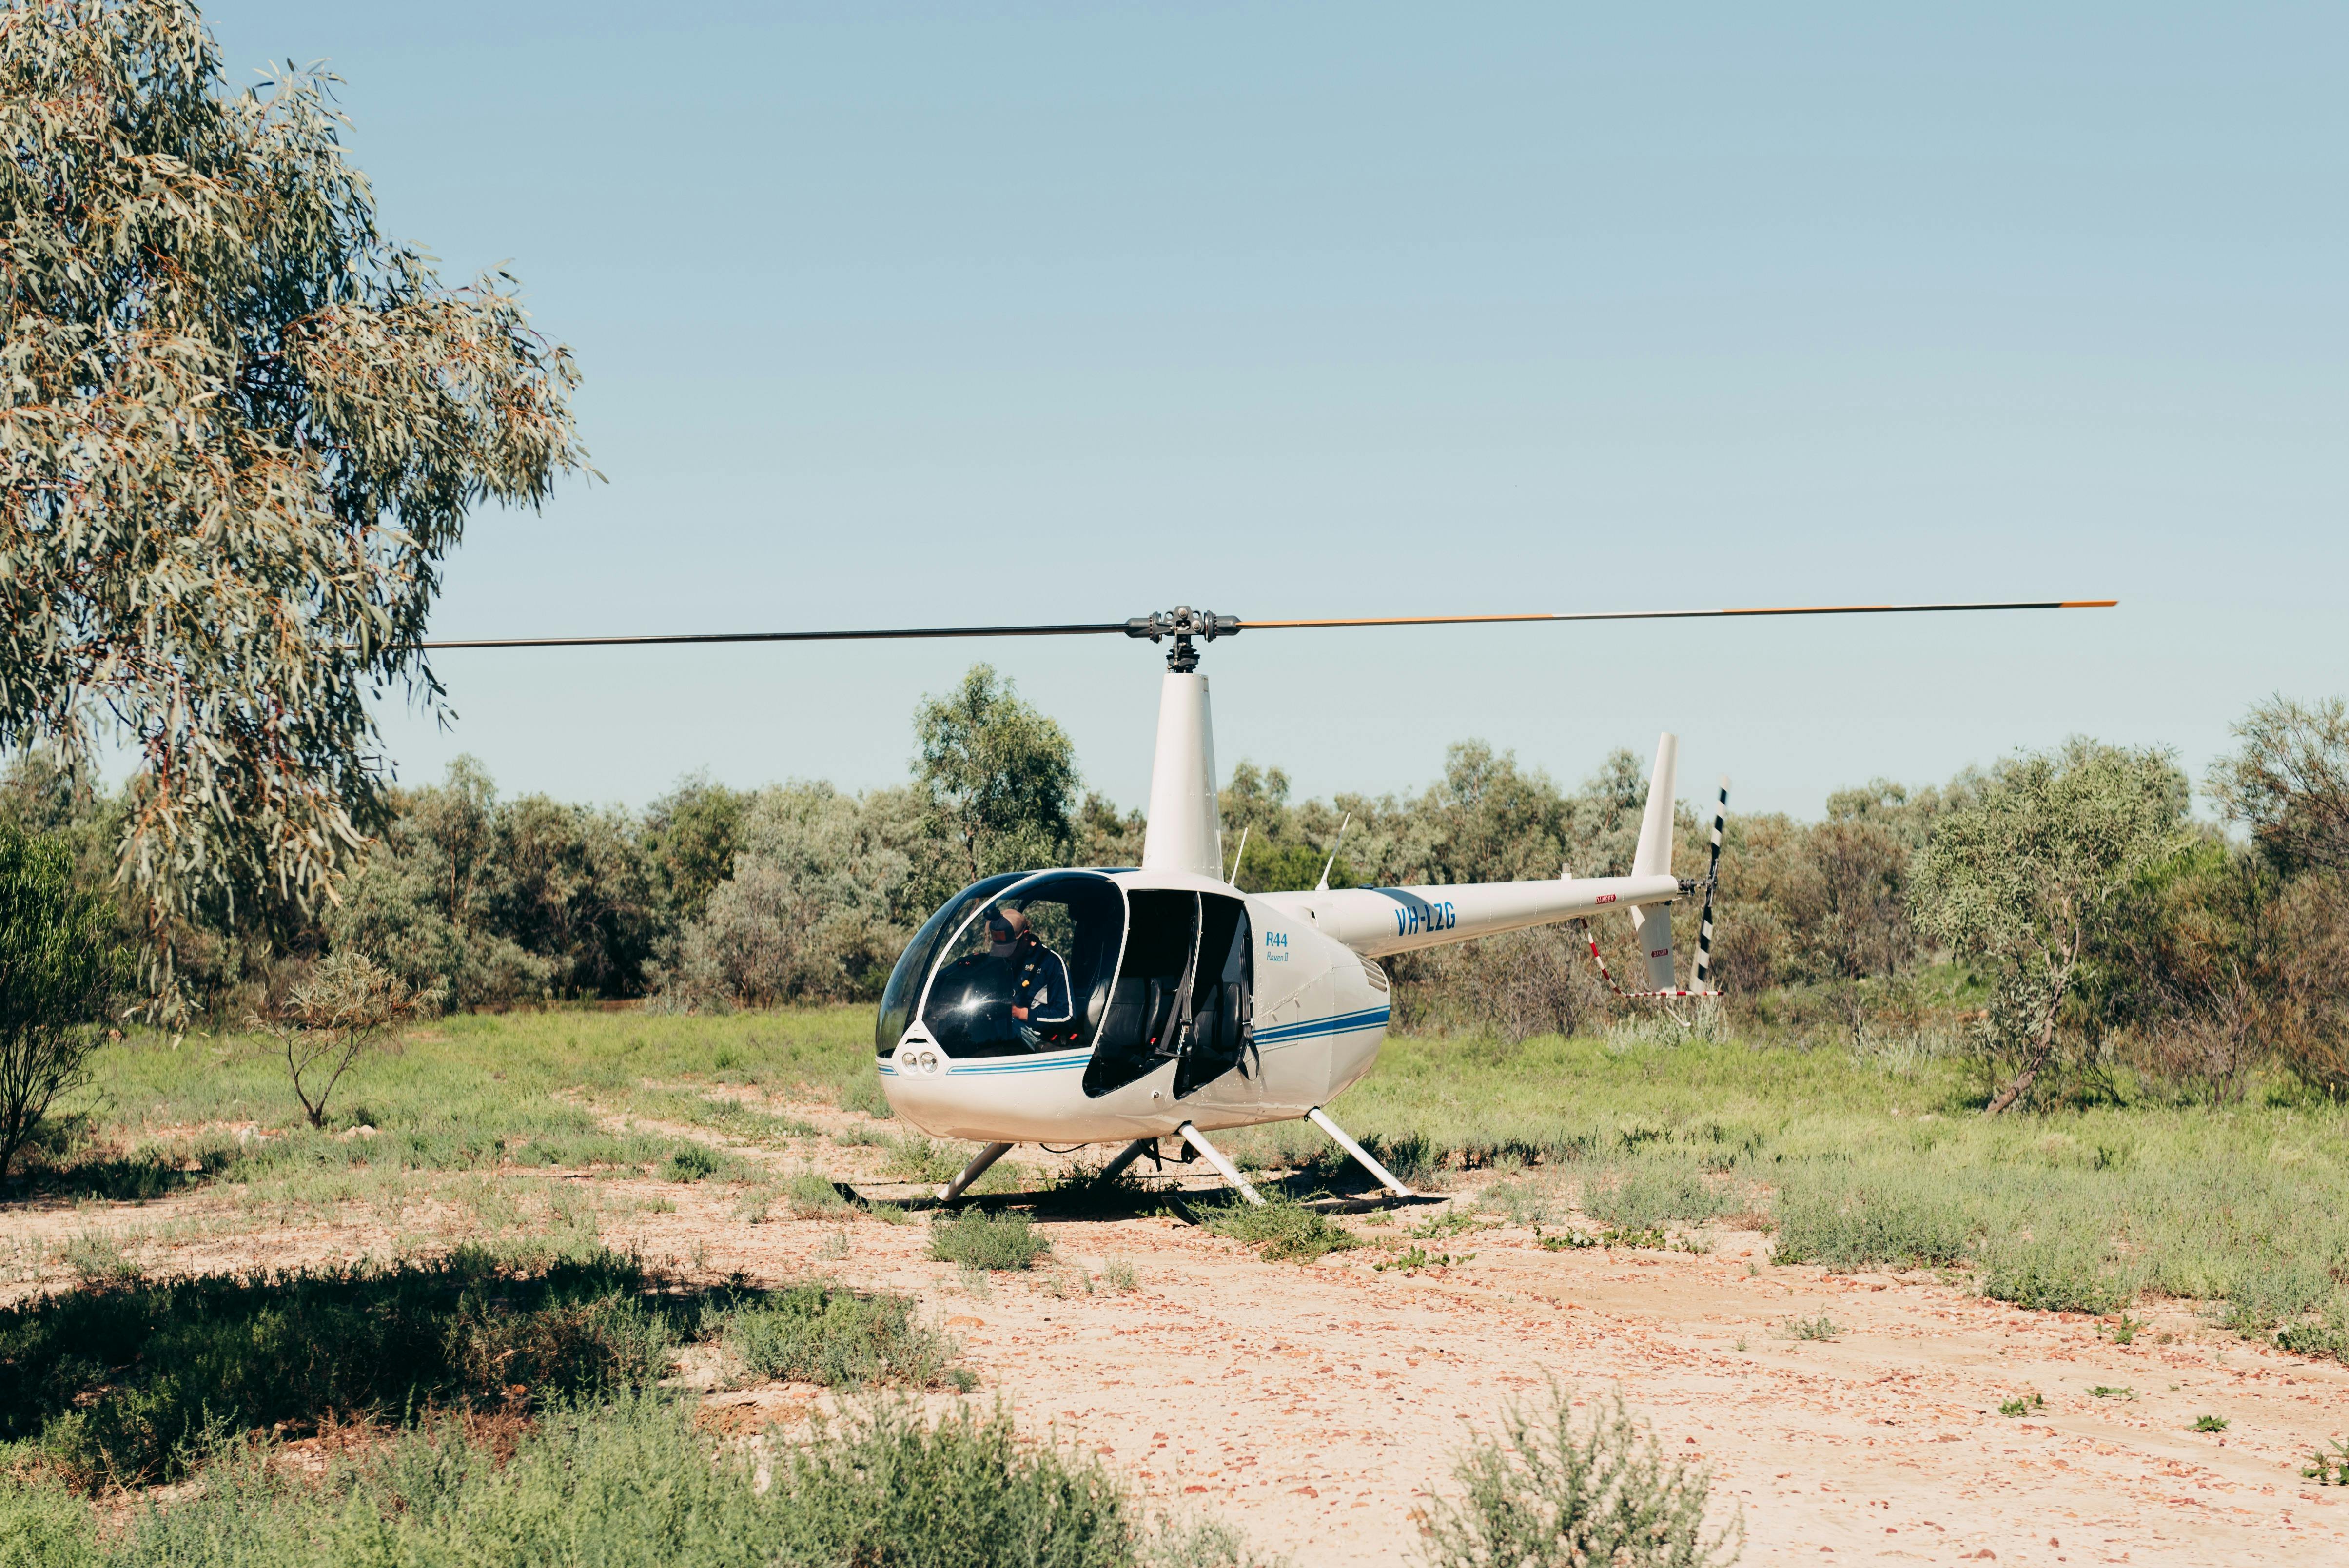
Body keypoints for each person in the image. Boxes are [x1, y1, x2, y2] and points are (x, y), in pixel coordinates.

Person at [991, 907, 1073, 1047]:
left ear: (1026, 936)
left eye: (1010, 949)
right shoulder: (1005, 961)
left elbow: (1067, 1016)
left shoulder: (1052, 963)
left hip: (1040, 1040)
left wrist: (1020, 1013)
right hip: (1007, 1034)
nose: (1007, 955)